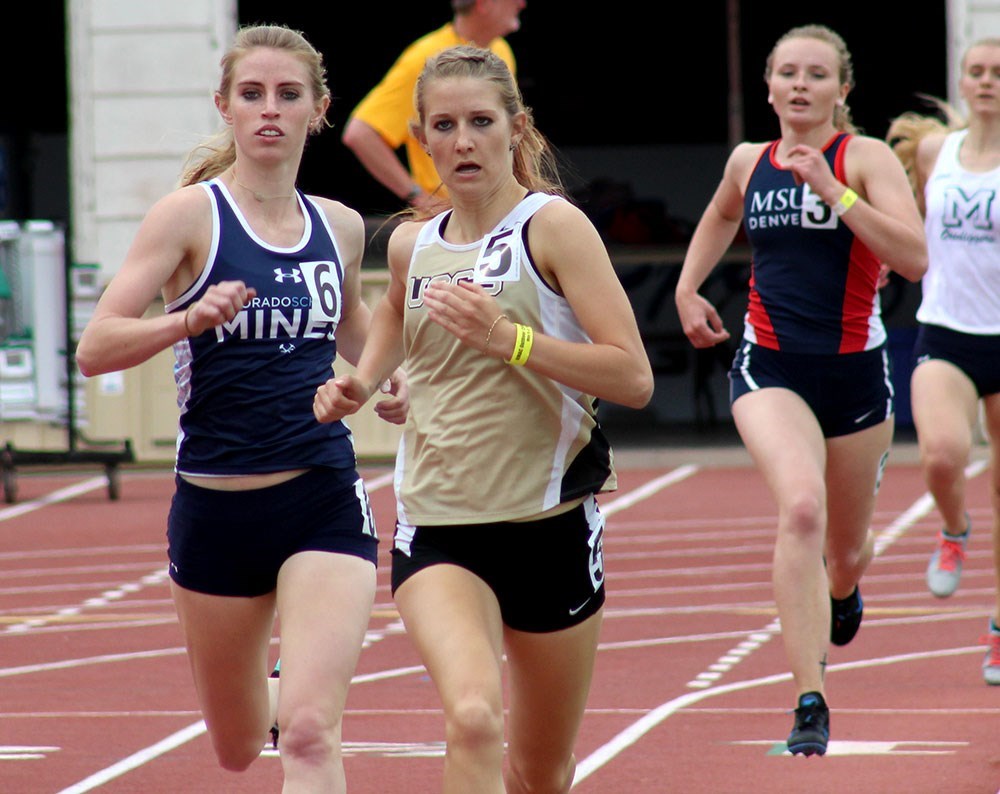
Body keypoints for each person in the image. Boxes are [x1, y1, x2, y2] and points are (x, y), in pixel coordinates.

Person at [75, 24, 406, 791]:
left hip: (322, 495)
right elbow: (96, 347)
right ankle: (281, 687)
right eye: (252, 94)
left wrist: (391, 381)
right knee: (235, 747)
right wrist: (186, 319)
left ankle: (302, 691)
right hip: (215, 510)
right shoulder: (188, 217)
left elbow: (354, 326)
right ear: (223, 106)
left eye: (289, 95)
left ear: (318, 110)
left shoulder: (341, 226)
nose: (270, 110)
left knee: (313, 734)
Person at [314, 45, 653, 793]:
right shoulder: (412, 243)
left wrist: (512, 340)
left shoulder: (553, 229)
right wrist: (365, 382)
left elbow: (632, 376)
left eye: (479, 121)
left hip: (550, 526)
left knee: (541, 770)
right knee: (471, 717)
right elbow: (399, 314)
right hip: (438, 524)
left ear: (515, 128)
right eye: (444, 125)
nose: (462, 140)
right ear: (423, 138)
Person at [675, 24, 927, 756]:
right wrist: (690, 288)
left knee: (845, 551)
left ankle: (844, 590)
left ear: (841, 90)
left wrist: (834, 191)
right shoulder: (748, 161)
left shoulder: (865, 157)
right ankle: (808, 697)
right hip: (770, 366)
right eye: (787, 73)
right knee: (802, 505)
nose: (800, 86)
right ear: (768, 86)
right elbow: (723, 213)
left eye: (816, 75)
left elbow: (911, 259)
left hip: (853, 373)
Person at [886, 38, 1000, 687]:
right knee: (941, 455)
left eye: (998, 74)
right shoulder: (935, 154)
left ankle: (999, 630)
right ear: (962, 80)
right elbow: (902, 223)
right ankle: (953, 527)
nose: (986, 82)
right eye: (976, 72)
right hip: (948, 331)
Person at [341, 0, 525, 212]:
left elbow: (518, 140)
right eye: (445, 124)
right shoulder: (424, 57)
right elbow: (360, 132)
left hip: (499, 213)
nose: (520, 3)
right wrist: (420, 197)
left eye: (482, 120)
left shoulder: (502, 51)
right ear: (484, 3)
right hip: (448, 218)